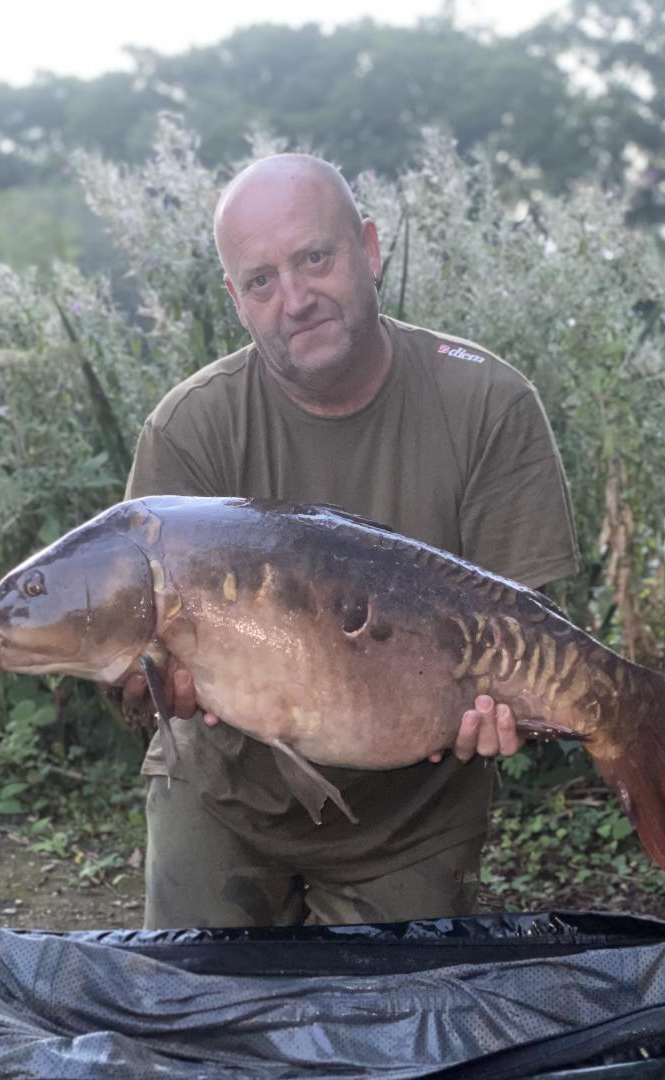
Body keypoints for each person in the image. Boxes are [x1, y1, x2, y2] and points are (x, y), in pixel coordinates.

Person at [121, 153, 580, 930]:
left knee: (395, 1045)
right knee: (198, 1030)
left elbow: (532, 632)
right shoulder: (190, 429)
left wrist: (521, 706)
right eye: (261, 281)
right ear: (236, 301)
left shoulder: (487, 403)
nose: (295, 299)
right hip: (226, 797)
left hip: (412, 813)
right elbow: (135, 674)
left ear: (368, 249)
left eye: (315, 258)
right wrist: (145, 687)